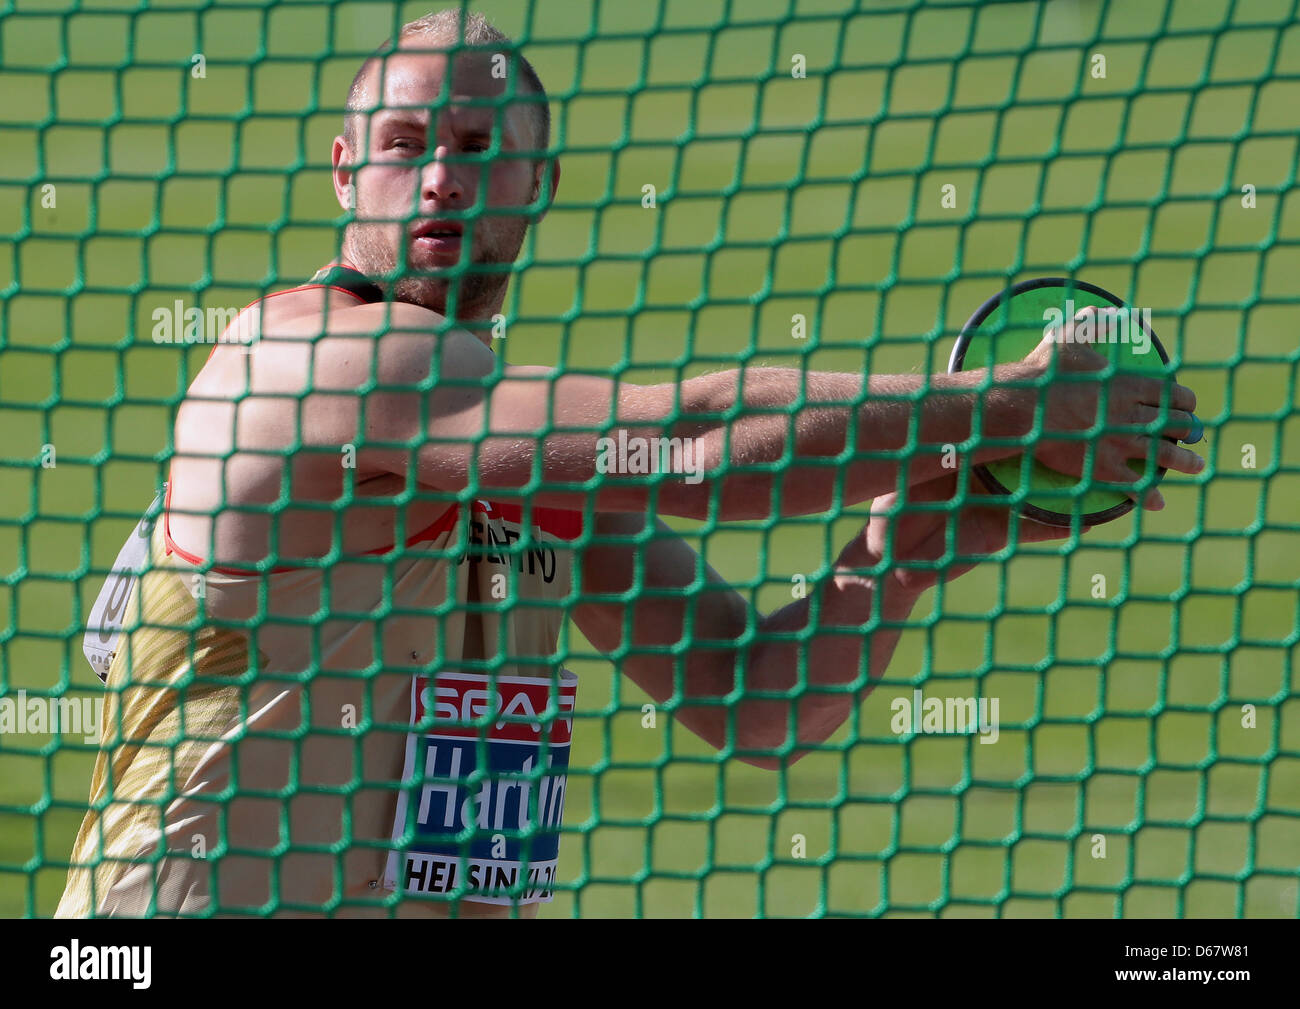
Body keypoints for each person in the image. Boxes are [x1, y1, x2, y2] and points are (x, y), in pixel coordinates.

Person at [57, 9, 1202, 919]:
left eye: (476, 148)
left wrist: (895, 558)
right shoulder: (316, 362)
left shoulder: (501, 465)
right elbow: (693, 450)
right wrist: (1001, 406)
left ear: (538, 184)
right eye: (406, 147)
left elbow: (754, 695)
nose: (441, 181)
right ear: (345, 171)